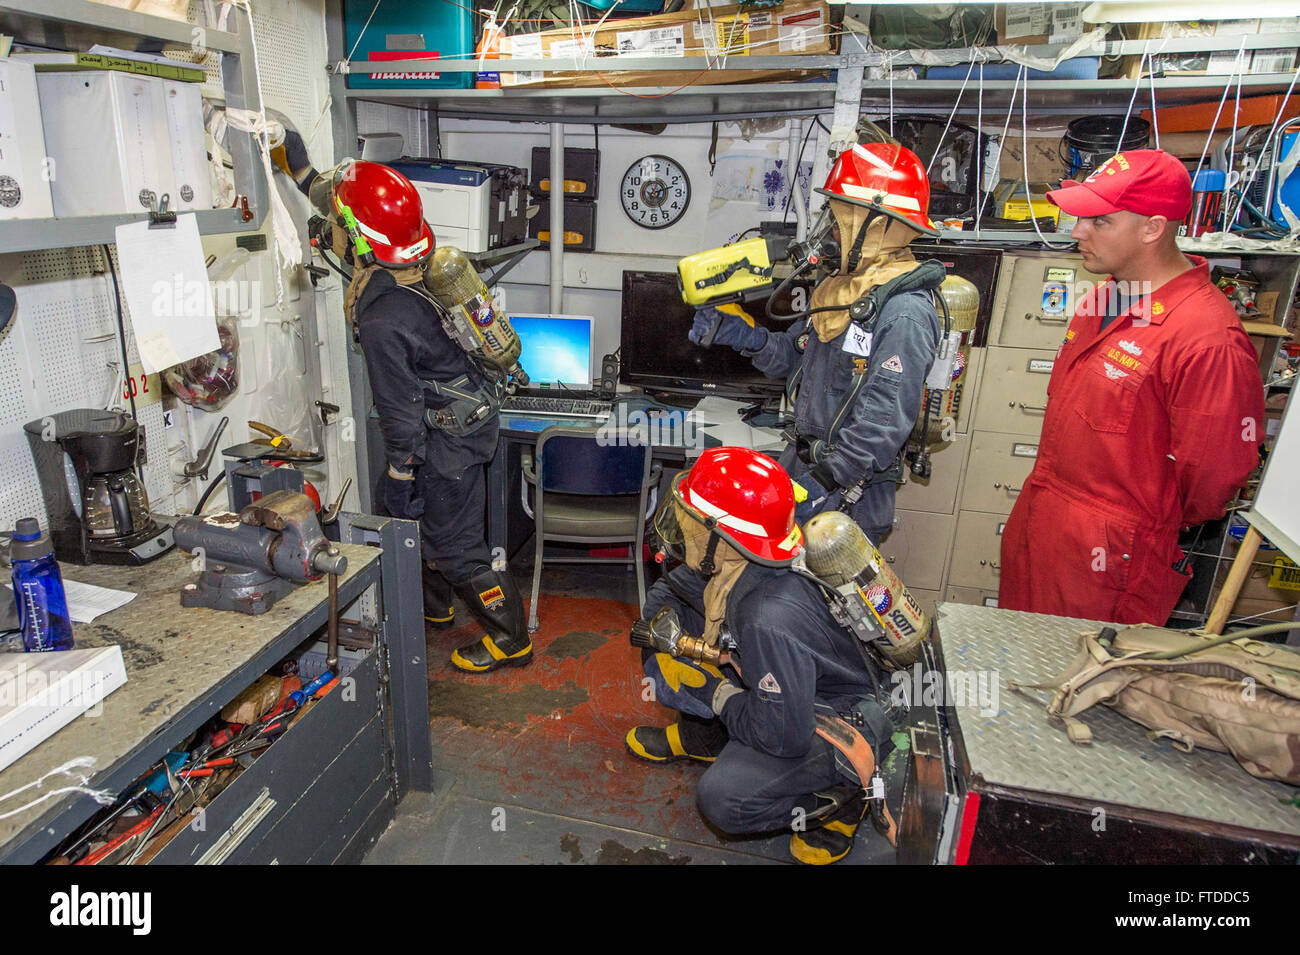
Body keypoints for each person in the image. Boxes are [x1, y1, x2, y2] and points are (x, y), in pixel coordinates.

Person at [999, 149, 1264, 624]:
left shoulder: (1206, 339)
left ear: (1152, 228)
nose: (1077, 231)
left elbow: (1213, 479)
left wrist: (1132, 523)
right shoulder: (1105, 297)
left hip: (1111, 552)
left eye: (1099, 221)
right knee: (1020, 660)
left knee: (1080, 681)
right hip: (1043, 517)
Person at [625, 446, 900, 865]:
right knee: (666, 616)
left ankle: (843, 801)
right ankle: (704, 738)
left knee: (724, 800)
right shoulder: (744, 565)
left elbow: (783, 737)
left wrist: (715, 694)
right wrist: (679, 640)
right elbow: (669, 591)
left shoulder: (763, 615)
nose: (681, 528)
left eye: (693, 524)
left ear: (726, 538)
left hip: (840, 715)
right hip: (795, 681)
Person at [311, 160, 532, 672]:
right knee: (432, 523)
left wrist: (399, 470)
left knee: (456, 546)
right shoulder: (421, 266)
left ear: (364, 243)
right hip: (468, 420)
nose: (333, 234)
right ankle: (436, 607)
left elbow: (399, 406)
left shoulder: (384, 315)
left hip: (449, 439)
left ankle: (510, 637)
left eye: (342, 227)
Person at [688, 143, 942, 543]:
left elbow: (885, 419)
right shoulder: (837, 290)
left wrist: (826, 480)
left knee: (802, 604)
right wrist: (738, 334)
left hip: (846, 497)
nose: (828, 230)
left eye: (840, 219)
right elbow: (795, 357)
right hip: (803, 467)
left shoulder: (903, 311)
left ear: (876, 226)